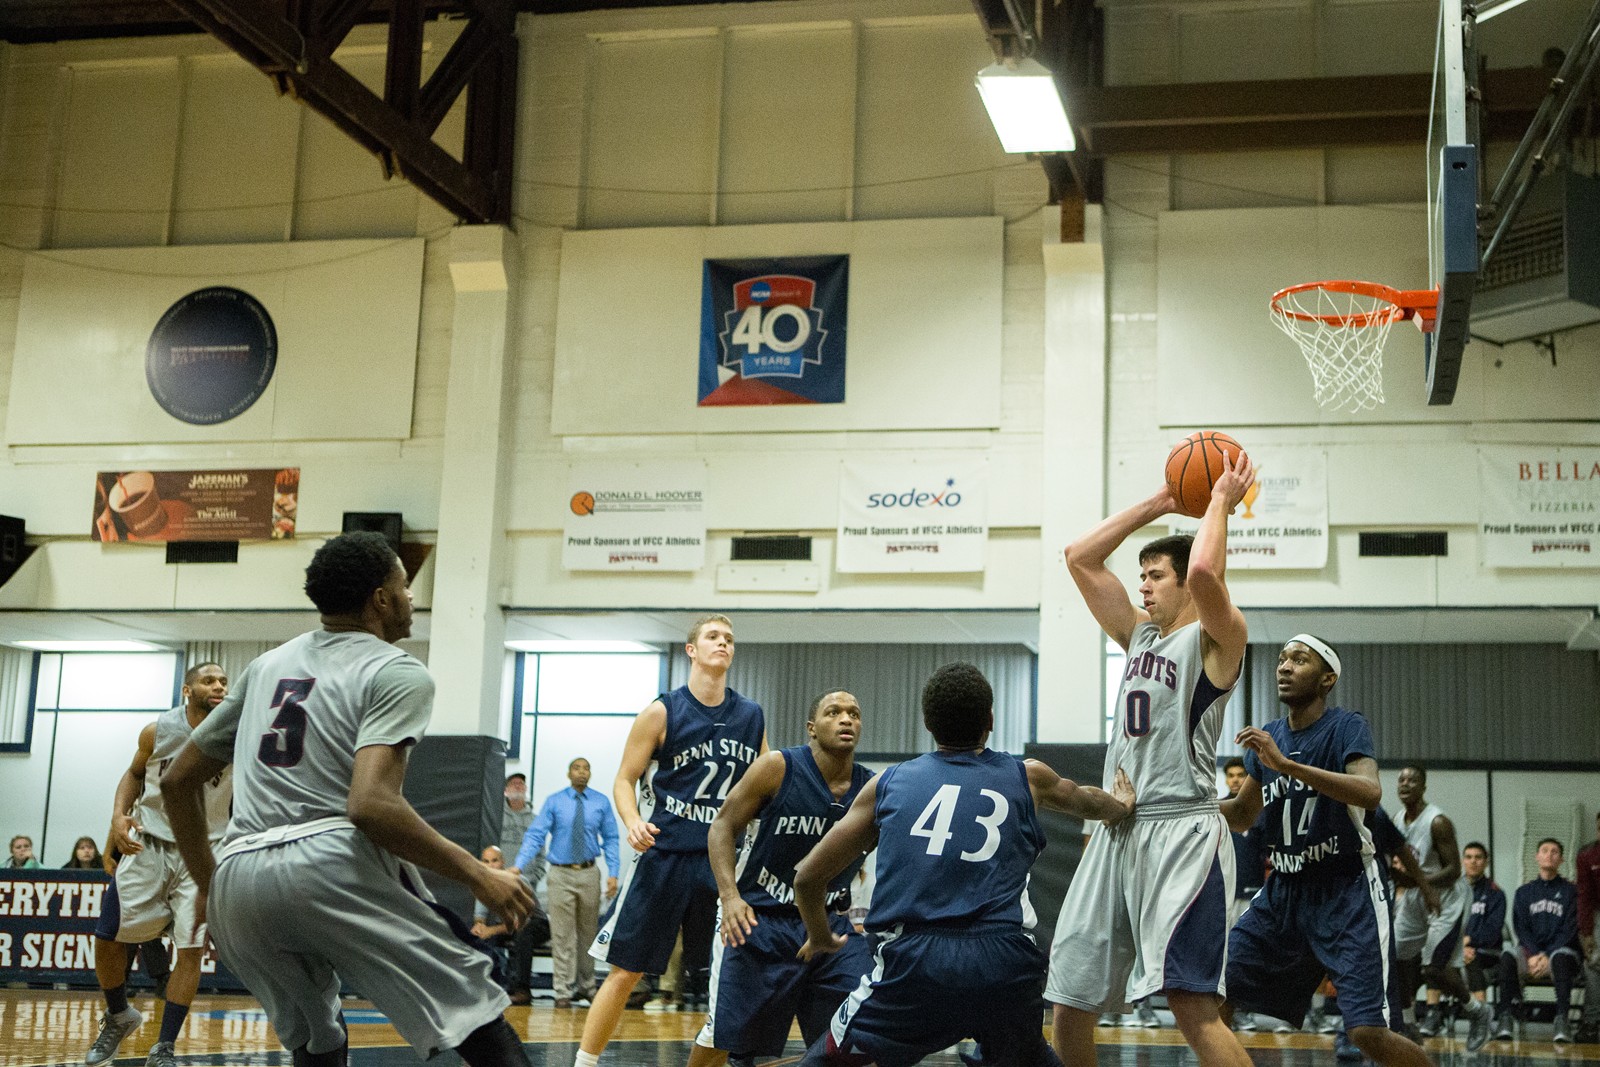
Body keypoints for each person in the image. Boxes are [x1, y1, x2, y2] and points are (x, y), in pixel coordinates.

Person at [162, 531, 537, 1067]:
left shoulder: (267, 666)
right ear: (380, 599)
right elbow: (370, 805)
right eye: (404, 587)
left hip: (239, 877)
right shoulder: (395, 670)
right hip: (328, 859)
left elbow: (177, 781)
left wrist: (210, 882)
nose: (411, 599)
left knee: (319, 1037)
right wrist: (478, 874)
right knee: (471, 1007)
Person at [789, 662, 1135, 1067]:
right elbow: (1088, 800)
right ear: (990, 719)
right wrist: (1121, 805)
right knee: (1029, 1055)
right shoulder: (1028, 777)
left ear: (927, 723)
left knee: (824, 1059)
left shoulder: (888, 783)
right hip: (1003, 960)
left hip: (914, 963)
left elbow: (809, 877)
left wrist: (821, 937)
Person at [1046, 451, 1256, 1067]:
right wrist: (1162, 502)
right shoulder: (1139, 636)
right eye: (1141, 575)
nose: (1142, 584)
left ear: (1185, 579)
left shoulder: (1218, 640)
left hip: (1182, 832)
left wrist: (1218, 500)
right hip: (1118, 828)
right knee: (1070, 998)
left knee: (1191, 1006)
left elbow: (1211, 580)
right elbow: (1079, 557)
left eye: (1156, 574)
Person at [1220, 634, 1482, 1065]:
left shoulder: (1346, 726)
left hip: (1347, 892)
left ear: (1327, 679)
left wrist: (1285, 766)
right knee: (1215, 997)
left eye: (1298, 660)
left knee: (1366, 1033)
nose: (1283, 666)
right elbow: (1242, 814)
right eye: (1282, 658)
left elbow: (1370, 791)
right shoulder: (1269, 736)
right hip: (1284, 892)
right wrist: (1180, 805)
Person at [576, 614, 766, 1067]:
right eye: (713, 637)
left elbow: (763, 786)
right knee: (627, 970)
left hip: (722, 861)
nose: (723, 643)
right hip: (666, 854)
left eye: (729, 639)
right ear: (692, 650)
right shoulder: (662, 711)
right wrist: (631, 820)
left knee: (733, 977)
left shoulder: (751, 716)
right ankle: (584, 1063)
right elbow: (624, 778)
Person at [689, 689, 874, 1067]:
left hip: (827, 926)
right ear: (811, 727)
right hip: (758, 920)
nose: (846, 719)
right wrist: (729, 897)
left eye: (853, 713)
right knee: (729, 1040)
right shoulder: (777, 767)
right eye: (834, 712)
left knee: (855, 1038)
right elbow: (722, 826)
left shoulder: (871, 787)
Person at [82, 661, 232, 1067]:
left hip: (204, 850)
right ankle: (118, 1014)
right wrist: (117, 815)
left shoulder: (237, 732)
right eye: (208, 680)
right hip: (148, 844)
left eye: (223, 681)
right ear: (187, 690)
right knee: (108, 935)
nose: (218, 686)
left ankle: (164, 1045)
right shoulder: (158, 731)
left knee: (190, 950)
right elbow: (132, 774)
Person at [513, 757, 620, 1008]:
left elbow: (612, 838)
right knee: (562, 935)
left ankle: (587, 987)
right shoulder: (555, 801)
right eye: (577, 768)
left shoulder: (600, 802)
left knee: (588, 934)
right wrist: (518, 864)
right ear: (568, 773)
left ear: (590, 774)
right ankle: (562, 991)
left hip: (588, 872)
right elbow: (536, 834)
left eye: (586, 768)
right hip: (560, 873)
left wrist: (613, 872)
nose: (582, 773)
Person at [1391, 765, 1474, 1037]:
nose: (1405, 784)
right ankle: (1408, 1022)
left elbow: (1454, 870)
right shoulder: (1397, 819)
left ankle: (1477, 1010)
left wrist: (1421, 884)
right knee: (1393, 957)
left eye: (1412, 780)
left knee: (1433, 971)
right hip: (1419, 894)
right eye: (1401, 780)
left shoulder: (1437, 822)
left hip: (1447, 896)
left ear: (1423, 787)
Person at [1495, 838, 1582, 1043]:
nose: (1549, 855)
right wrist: (1535, 954)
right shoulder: (1524, 892)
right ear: (1537, 857)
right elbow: (1521, 928)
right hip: (1531, 954)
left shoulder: (1571, 891)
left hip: (1561, 952)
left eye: (1554, 852)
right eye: (1544, 850)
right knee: (1508, 956)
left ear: (1561, 860)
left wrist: (1547, 954)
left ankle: (1562, 1020)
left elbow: (1570, 929)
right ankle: (1505, 1017)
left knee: (1561, 958)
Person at [472, 846, 551, 1001]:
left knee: (522, 935)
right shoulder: (482, 884)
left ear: (503, 862)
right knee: (477, 936)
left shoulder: (516, 881)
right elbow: (479, 916)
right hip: (507, 926)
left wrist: (491, 930)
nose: (490, 865)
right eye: (486, 861)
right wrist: (480, 927)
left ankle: (523, 990)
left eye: (494, 860)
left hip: (535, 923)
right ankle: (488, 987)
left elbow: (519, 922)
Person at [1221, 758, 1264, 1032]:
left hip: (1251, 893)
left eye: (1241, 775)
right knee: (1223, 954)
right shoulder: (1218, 810)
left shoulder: (1261, 811)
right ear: (1226, 779)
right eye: (1232, 775)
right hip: (1223, 893)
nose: (1236, 780)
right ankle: (1224, 1012)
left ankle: (1245, 1011)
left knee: (1247, 955)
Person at [1460, 842, 1506, 1020]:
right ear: (1463, 861)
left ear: (1486, 862)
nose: (1473, 862)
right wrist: (1458, 946)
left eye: (1478, 857)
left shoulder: (1495, 893)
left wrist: (1468, 941)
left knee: (1472, 958)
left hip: (1486, 952)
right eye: (1469, 857)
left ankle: (1482, 1015)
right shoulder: (1455, 891)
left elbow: (1493, 930)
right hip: (1457, 950)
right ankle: (1432, 1012)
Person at [502, 773, 547, 906]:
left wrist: (534, 878)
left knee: (526, 922)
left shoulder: (536, 821)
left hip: (527, 884)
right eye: (513, 783)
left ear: (526, 789)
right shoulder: (496, 817)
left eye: (521, 783)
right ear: (505, 791)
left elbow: (541, 854)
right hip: (501, 880)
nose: (517, 786)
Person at [1576, 814, 1600, 1042]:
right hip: (1597, 912)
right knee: (1593, 961)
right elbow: (1584, 895)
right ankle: (1591, 1023)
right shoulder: (1588, 855)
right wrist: (1586, 932)